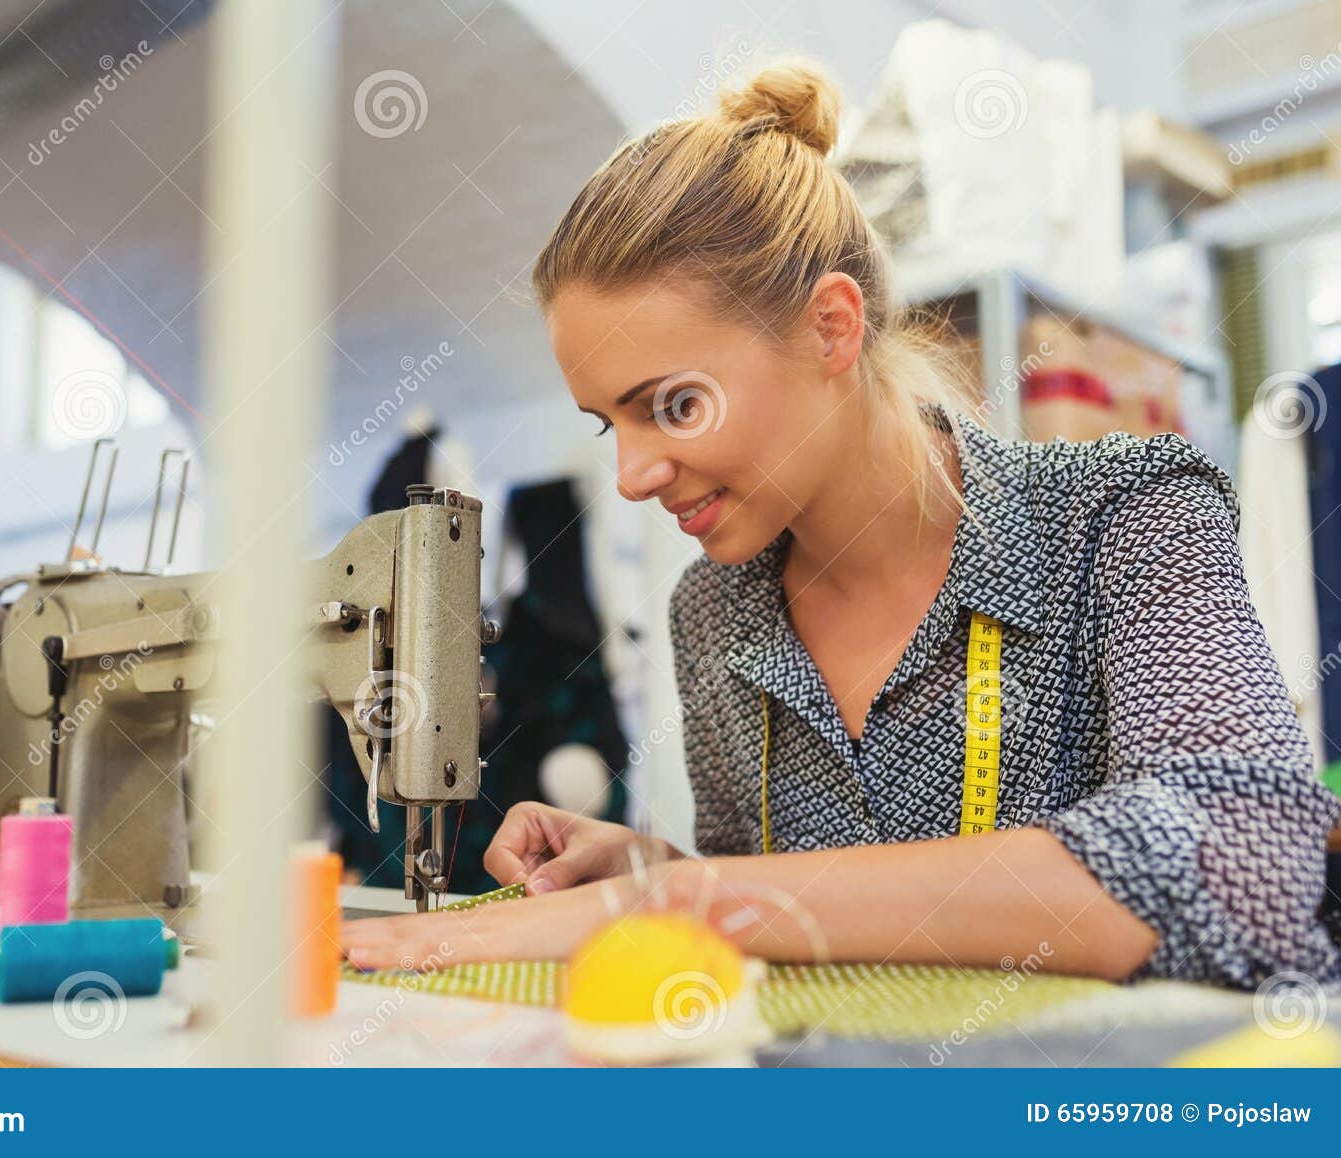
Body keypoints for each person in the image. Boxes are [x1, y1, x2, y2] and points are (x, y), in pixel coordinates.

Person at [341, 59, 1341, 988]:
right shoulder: (714, 613)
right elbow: (802, 941)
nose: (633, 476)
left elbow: (1245, 873)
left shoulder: (1127, 513)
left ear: (831, 326)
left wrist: (681, 900)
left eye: (674, 405)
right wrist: (658, 872)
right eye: (611, 423)